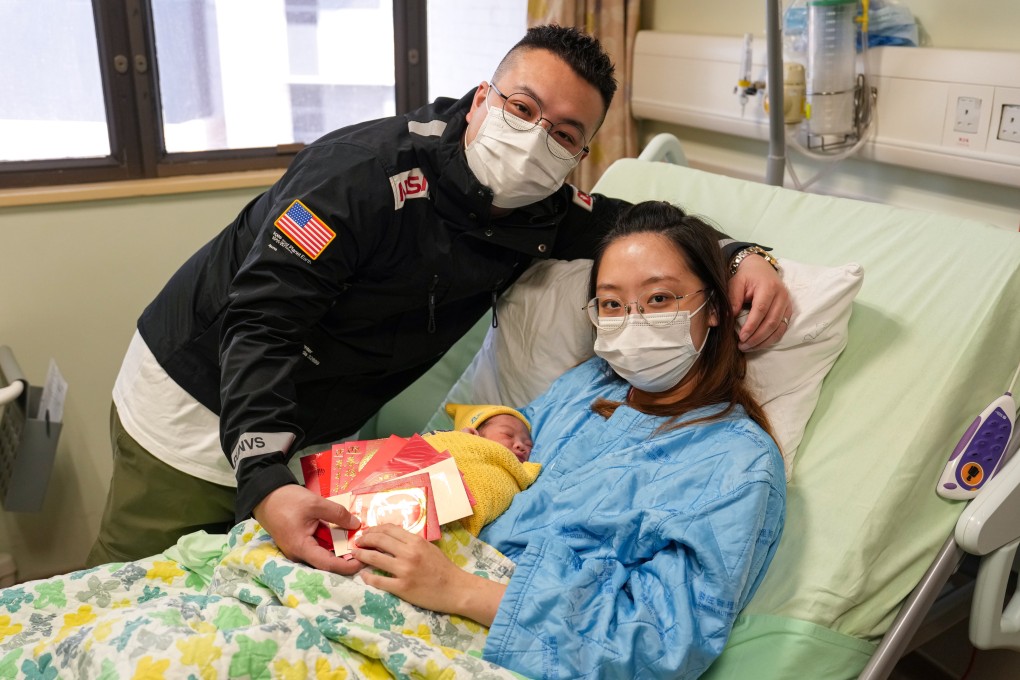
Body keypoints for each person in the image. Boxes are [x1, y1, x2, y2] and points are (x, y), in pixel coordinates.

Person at [87, 24, 792, 572]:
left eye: (565, 134)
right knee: (128, 590)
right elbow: (264, 322)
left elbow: (636, 226)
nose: (536, 140)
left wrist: (739, 256)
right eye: (524, 107)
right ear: (482, 99)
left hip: (314, 425)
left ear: (578, 155)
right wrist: (266, 479)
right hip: (196, 397)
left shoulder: (543, 209)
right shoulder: (361, 177)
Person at [350, 201, 787, 678]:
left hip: (497, 643)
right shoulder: (588, 385)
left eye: (660, 299)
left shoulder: (737, 463)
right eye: (612, 304)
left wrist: (458, 589)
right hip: (418, 569)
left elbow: (662, 645)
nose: (633, 320)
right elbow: (498, 453)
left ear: (716, 308)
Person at [424, 403, 540, 535]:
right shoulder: (460, 441)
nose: (520, 445)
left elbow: (524, 476)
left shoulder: (518, 472)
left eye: (528, 444)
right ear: (473, 433)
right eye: (508, 435)